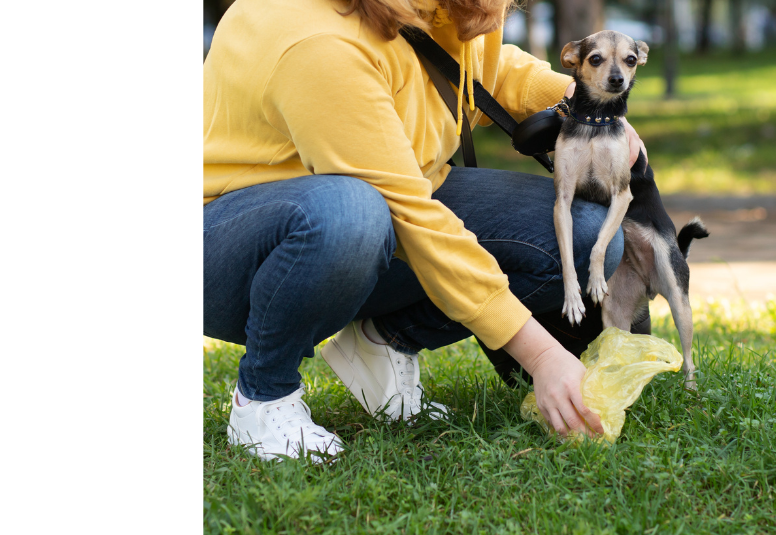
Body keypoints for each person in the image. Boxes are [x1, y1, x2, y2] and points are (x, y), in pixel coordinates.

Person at [203, 0, 647, 460]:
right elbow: (410, 213)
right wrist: (542, 357)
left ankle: (384, 341)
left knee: (583, 233)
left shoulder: (457, 7)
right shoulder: (320, 42)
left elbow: (485, 72)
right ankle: (263, 397)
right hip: (229, 241)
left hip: (385, 206)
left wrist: (585, 102)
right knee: (351, 211)